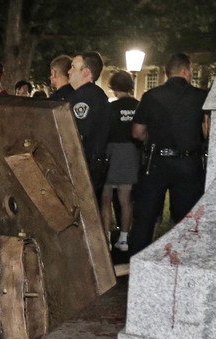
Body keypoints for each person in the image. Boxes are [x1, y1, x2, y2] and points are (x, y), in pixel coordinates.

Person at [128, 53, 209, 258]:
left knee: (145, 216)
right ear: (185, 71)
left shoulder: (151, 96)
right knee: (186, 218)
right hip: (188, 162)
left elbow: (137, 132)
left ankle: (138, 261)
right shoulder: (201, 97)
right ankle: (181, 261)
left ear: (167, 73)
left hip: (156, 162)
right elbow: (208, 130)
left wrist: (152, 139)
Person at [101, 70, 141, 252]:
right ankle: (124, 238)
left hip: (111, 152)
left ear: (114, 87)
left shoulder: (110, 108)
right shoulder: (138, 106)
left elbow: (104, 132)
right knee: (126, 200)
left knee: (106, 199)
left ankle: (106, 238)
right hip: (130, 153)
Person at [68, 52, 111, 197]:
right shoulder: (98, 94)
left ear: (86, 72)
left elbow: (78, 133)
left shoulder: (82, 97)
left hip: (84, 163)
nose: (69, 71)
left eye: (73, 67)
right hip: (95, 162)